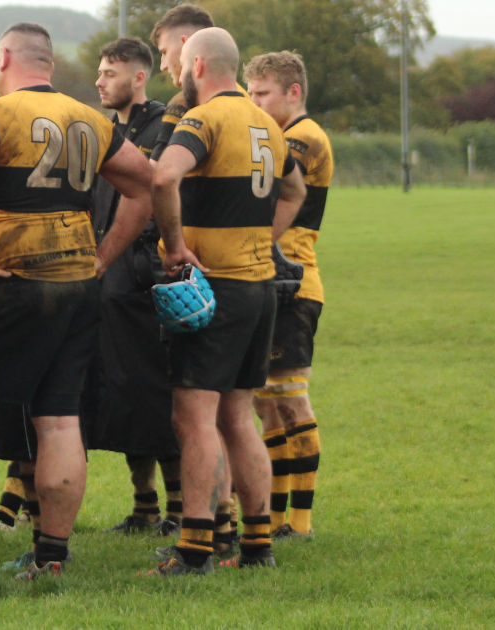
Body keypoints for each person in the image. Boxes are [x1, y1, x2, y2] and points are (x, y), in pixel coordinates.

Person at [0, 22, 155, 586]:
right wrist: (103, 257)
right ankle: (51, 558)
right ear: (49, 64)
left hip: (12, 282)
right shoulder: (89, 118)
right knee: (60, 418)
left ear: (4, 59)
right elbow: (147, 184)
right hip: (77, 282)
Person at [146, 27, 306, 575]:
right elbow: (296, 192)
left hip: (216, 290)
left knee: (194, 417)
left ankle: (194, 550)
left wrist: (176, 247)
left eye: (176, 67)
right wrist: (264, 240)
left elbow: (163, 177)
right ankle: (258, 546)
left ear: (195, 67)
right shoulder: (269, 123)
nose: (174, 76)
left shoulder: (203, 119)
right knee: (238, 416)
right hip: (260, 289)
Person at [83, 36, 186, 537]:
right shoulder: (101, 130)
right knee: (121, 389)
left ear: (138, 77)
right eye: (100, 72)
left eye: (109, 72)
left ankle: (179, 507)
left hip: (150, 271)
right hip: (108, 274)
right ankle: (144, 506)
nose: (99, 81)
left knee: (155, 390)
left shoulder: (166, 124)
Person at [244, 50, 333, 540]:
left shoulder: (303, 137)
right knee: (265, 403)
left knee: (290, 399)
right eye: (250, 94)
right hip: (271, 279)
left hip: (295, 283)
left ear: (292, 93)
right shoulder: (277, 134)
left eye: (262, 94)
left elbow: (260, 182)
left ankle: (300, 521)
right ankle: (275, 516)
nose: (254, 104)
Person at [149, 3, 214, 164]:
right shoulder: (247, 101)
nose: (162, 66)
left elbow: (157, 176)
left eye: (164, 52)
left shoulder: (183, 103)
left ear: (187, 44)